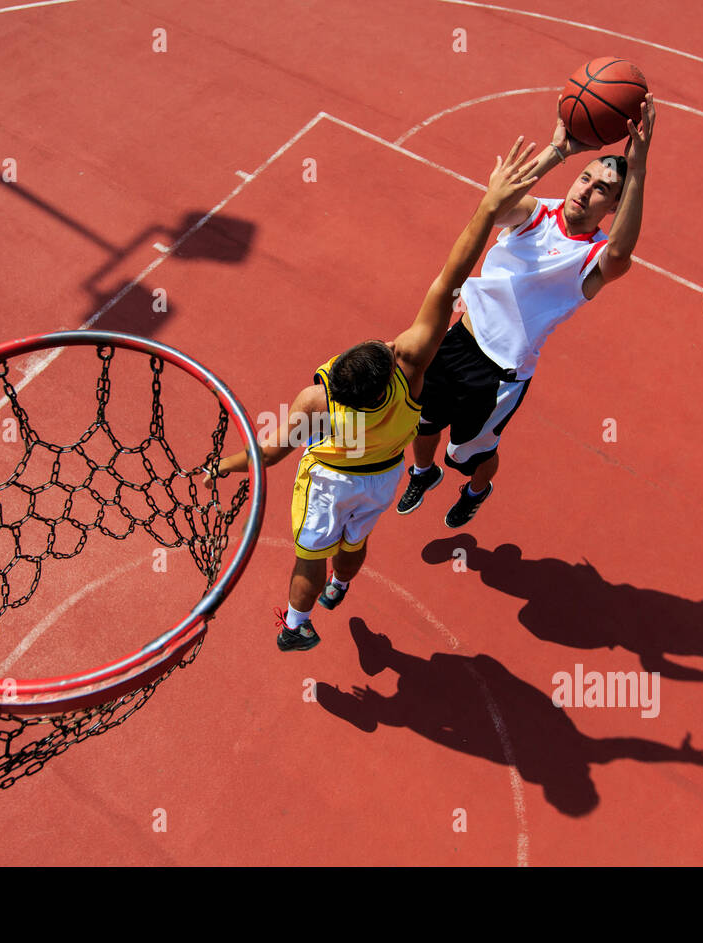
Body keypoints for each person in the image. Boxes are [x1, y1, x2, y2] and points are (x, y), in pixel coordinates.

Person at [208, 139, 541, 650]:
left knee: (308, 556)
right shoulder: (410, 372)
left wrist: (222, 466)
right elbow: (452, 275)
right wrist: (489, 207)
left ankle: (296, 628)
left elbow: (270, 453)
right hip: (382, 478)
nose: (388, 341)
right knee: (355, 540)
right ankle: (341, 587)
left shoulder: (318, 404)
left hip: (330, 482)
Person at [397, 94, 656, 528]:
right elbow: (493, 207)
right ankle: (424, 473)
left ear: (613, 207)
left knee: (467, 452)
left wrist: (640, 169)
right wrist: (557, 152)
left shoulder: (594, 258)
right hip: (459, 338)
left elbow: (622, 251)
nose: (586, 190)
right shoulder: (536, 213)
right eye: (585, 178)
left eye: (602, 190)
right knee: (421, 421)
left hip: (500, 375)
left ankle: (477, 488)